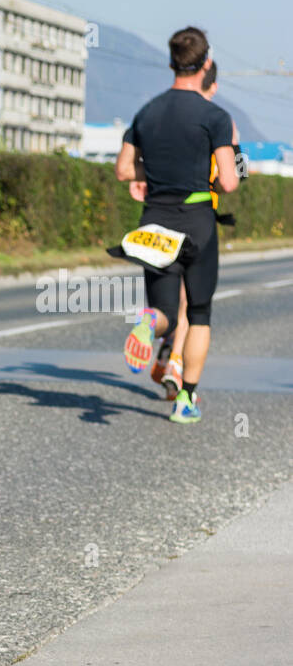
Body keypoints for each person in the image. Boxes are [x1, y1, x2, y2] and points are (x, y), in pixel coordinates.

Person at [115, 27, 239, 424]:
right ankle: (186, 400)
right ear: (205, 64)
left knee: (165, 308)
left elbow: (122, 169)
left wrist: (147, 174)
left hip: (154, 221)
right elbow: (229, 181)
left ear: (171, 62)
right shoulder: (215, 117)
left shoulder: (146, 112)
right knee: (198, 312)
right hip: (198, 220)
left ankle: (151, 323)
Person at [138, 58, 237, 401]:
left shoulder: (166, 118)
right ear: (214, 85)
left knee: (170, 299)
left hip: (160, 214)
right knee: (194, 306)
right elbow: (236, 177)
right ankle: (178, 366)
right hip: (201, 219)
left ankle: (168, 349)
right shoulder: (224, 123)